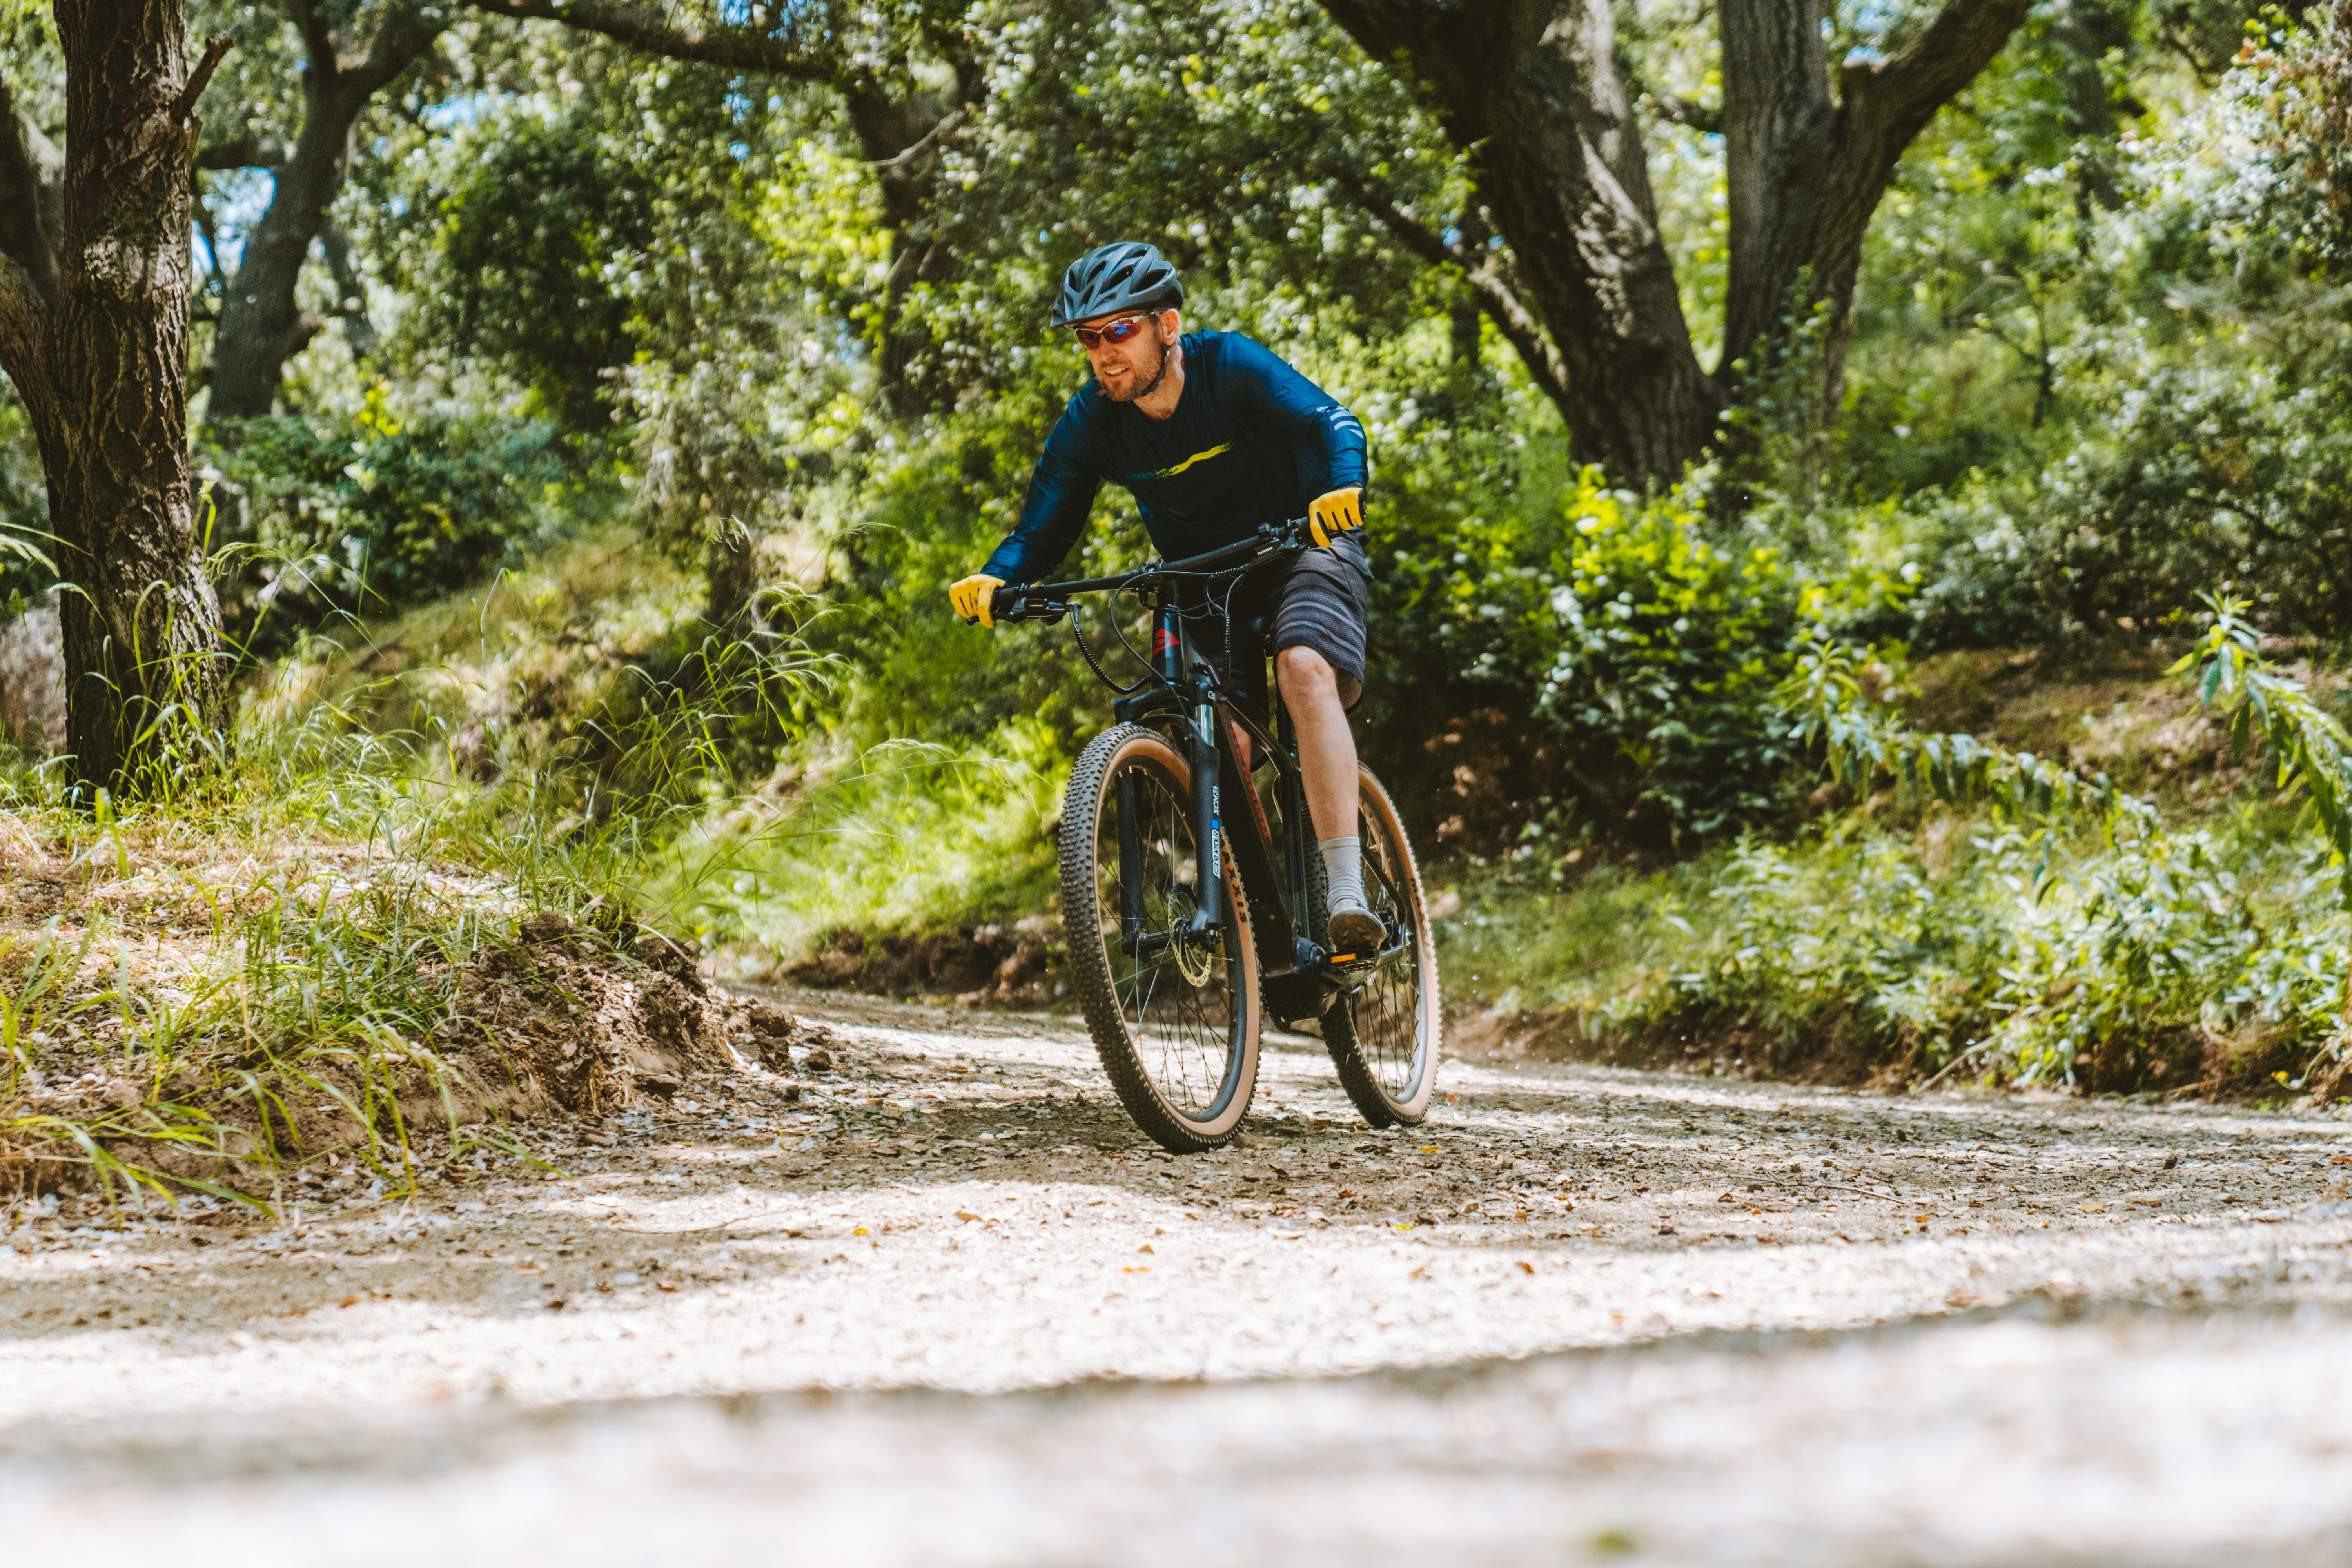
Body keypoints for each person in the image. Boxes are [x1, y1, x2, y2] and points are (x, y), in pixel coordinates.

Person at [949, 240, 1381, 953]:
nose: (1103, 353)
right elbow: (1042, 528)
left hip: (1302, 544)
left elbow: (1332, 421)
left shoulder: (1229, 366)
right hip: (1202, 576)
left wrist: (1342, 485)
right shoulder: (1093, 420)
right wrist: (999, 577)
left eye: (1119, 330)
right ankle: (1261, 928)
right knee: (1215, 738)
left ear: (1167, 325)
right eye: (1089, 338)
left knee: (1303, 668)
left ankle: (1345, 894)